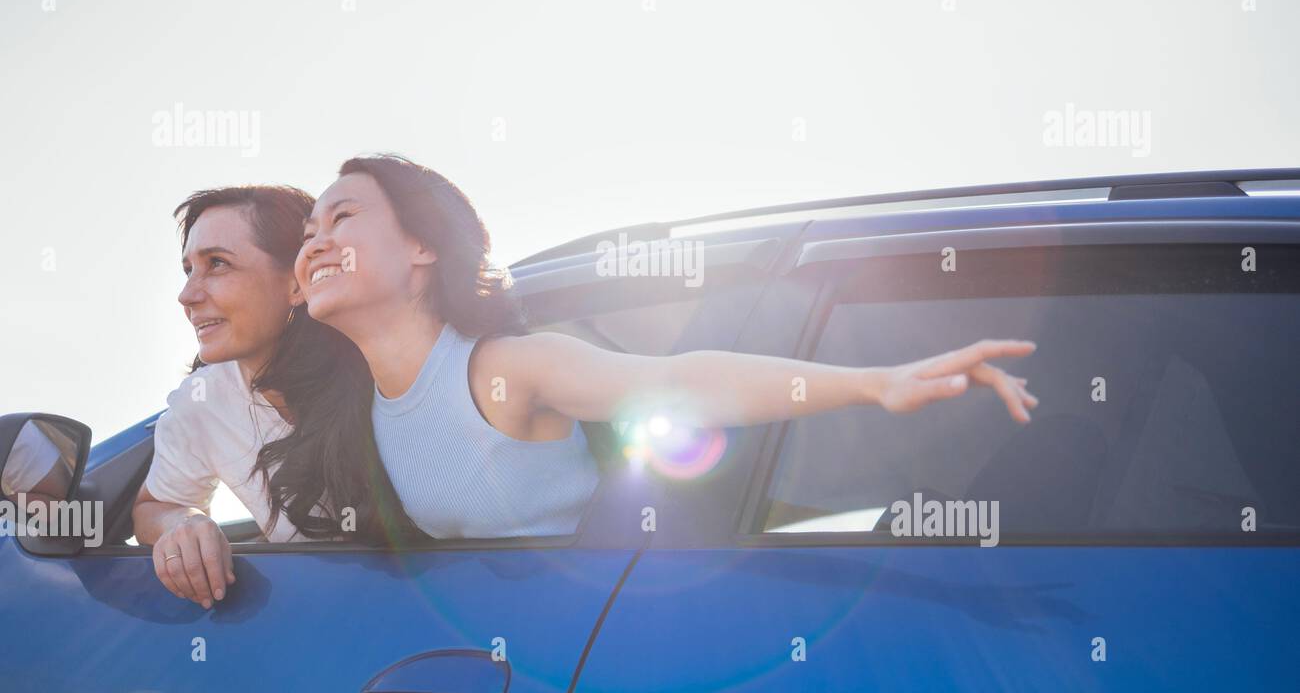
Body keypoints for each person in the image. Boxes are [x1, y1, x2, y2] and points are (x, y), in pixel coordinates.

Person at [295, 154, 1039, 540]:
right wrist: (177, 525)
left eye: (342, 216)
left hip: (610, 638)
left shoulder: (501, 369)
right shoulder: (355, 405)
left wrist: (877, 382)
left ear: (422, 245)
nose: (317, 240)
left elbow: (679, 380)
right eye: (306, 235)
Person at [132, 185, 417, 610]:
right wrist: (182, 524)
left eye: (217, 264)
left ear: (297, 283)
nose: (187, 295)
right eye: (188, 269)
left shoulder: (389, 365)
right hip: (340, 627)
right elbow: (156, 504)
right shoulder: (203, 401)